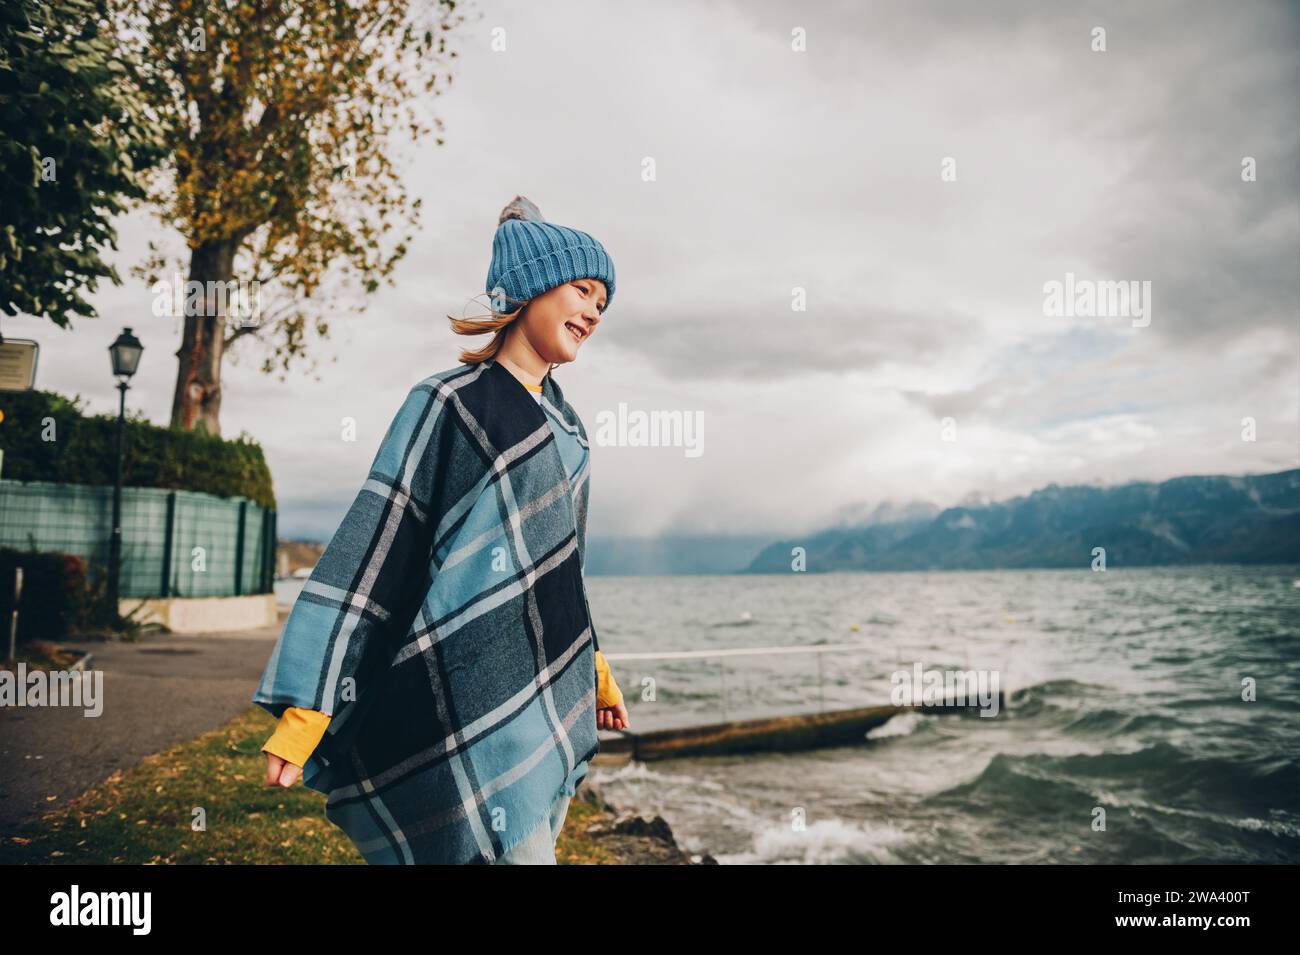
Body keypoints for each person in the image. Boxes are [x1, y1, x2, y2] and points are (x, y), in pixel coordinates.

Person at [254, 195, 629, 864]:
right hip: (452, 691)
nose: (595, 311)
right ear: (531, 289)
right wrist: (307, 708)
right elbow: (375, 547)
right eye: (582, 289)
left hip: (541, 699)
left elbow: (563, 571)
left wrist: (593, 670)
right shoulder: (449, 403)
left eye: (603, 299)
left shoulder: (572, 437)